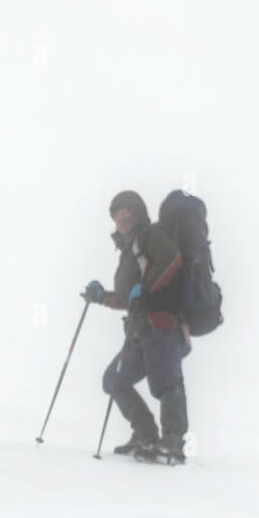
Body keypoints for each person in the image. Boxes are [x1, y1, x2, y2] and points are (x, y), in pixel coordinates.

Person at [82, 189, 189, 464]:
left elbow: (172, 260)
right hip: (139, 331)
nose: (122, 215)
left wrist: (146, 287)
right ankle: (145, 433)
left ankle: (172, 442)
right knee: (114, 380)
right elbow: (131, 298)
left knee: (166, 383)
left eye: (127, 209)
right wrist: (102, 297)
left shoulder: (151, 236)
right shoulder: (128, 252)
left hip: (163, 325)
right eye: (116, 213)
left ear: (138, 213)